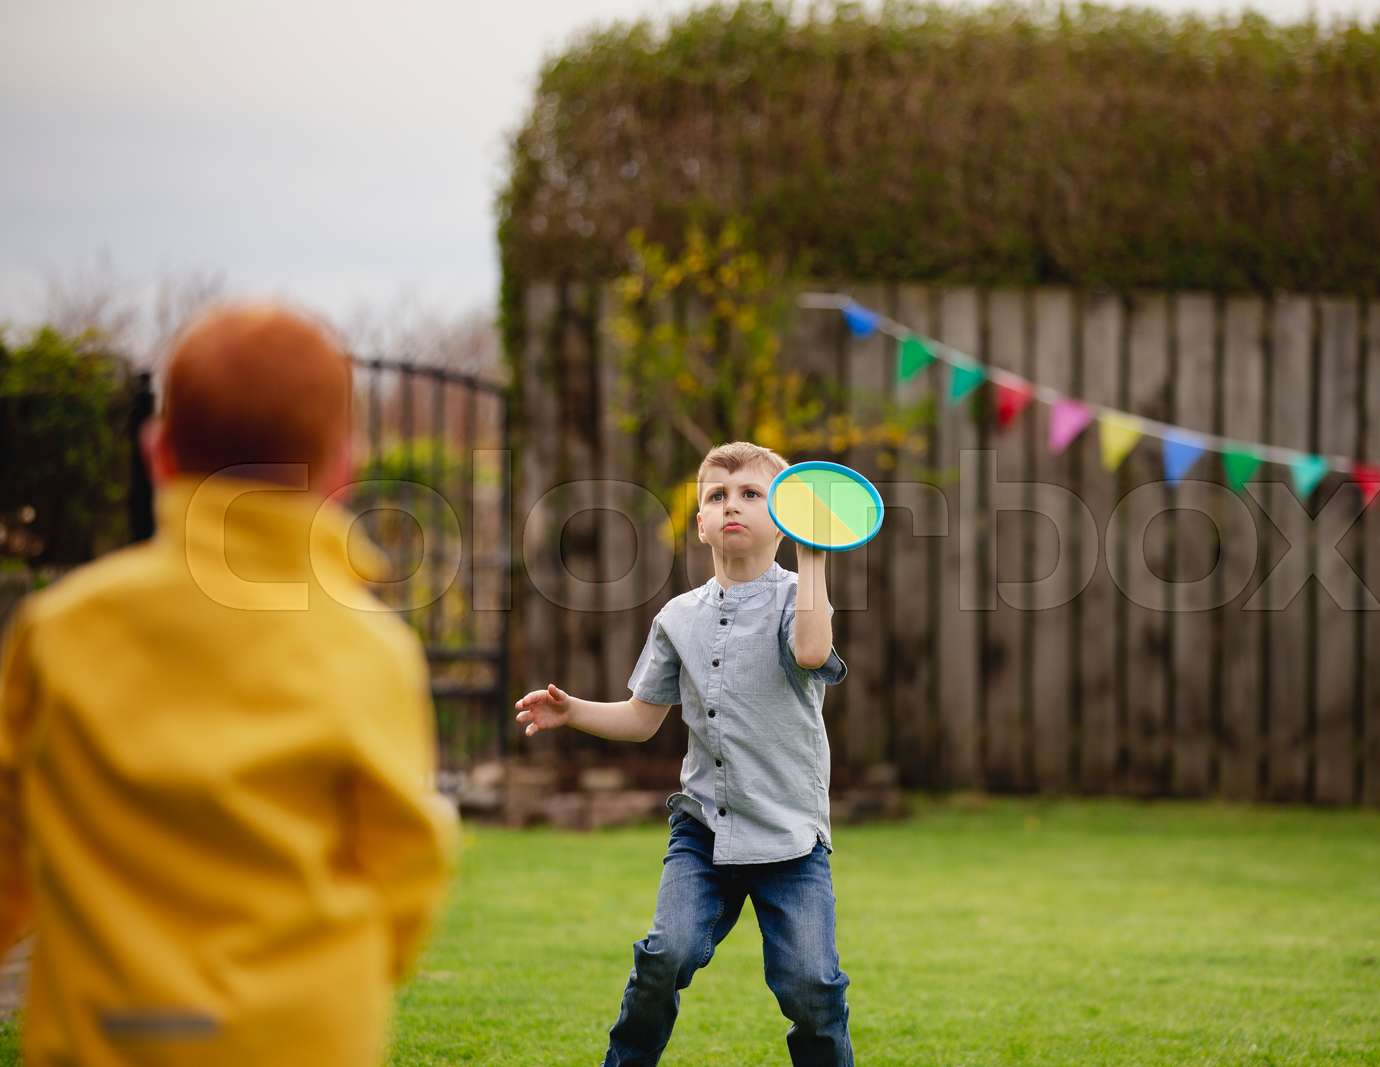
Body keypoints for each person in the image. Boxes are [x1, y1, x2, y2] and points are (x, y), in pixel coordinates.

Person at [0, 303, 457, 1066]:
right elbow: (408, 854)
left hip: (106, 1033)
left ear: (159, 452)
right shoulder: (370, 649)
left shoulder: (60, 628)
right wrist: (368, 964)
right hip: (304, 1039)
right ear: (342, 469)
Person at [515, 440, 854, 1067]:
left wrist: (814, 557)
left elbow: (810, 653)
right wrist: (573, 711)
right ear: (700, 523)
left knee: (812, 987)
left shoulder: (798, 600)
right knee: (663, 956)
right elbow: (643, 719)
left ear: (783, 515)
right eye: (717, 496)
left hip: (790, 837)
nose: (733, 505)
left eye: (752, 494)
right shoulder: (677, 617)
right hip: (704, 831)